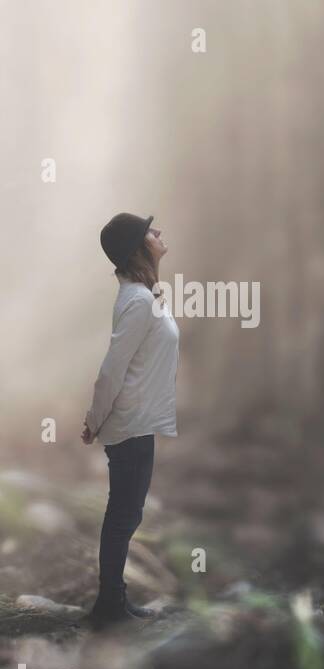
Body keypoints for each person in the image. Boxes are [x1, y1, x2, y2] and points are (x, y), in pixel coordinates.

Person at [82, 213, 179, 629]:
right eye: (150, 232)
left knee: (126, 513)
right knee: (123, 515)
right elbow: (112, 369)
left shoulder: (140, 294)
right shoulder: (138, 301)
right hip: (129, 424)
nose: (158, 233)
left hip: (136, 421)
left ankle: (113, 601)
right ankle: (109, 606)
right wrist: (94, 418)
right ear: (139, 247)